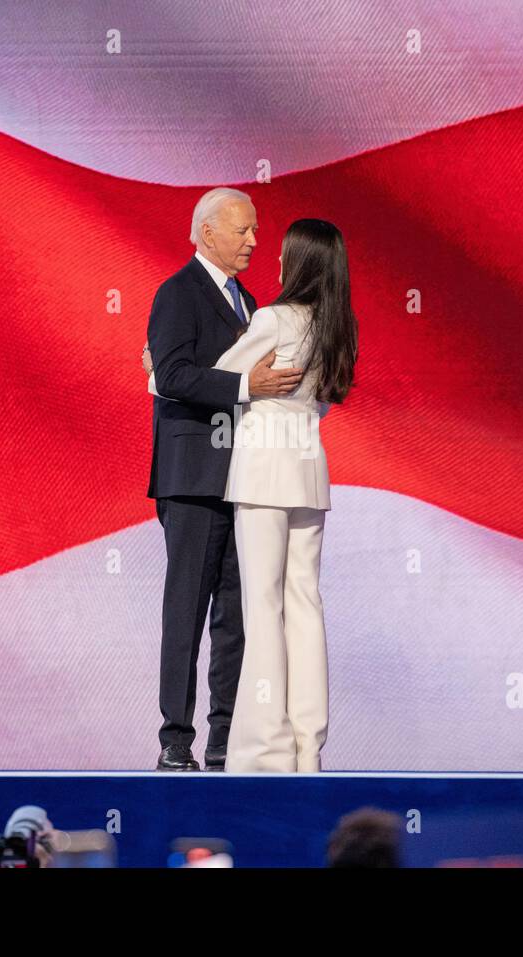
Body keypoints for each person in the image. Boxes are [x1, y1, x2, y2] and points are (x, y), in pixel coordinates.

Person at [154, 218, 358, 772]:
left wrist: (156, 369)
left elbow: (215, 375)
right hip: (310, 473)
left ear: (299, 263)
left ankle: (263, 744)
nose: (260, 249)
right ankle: (307, 744)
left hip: (264, 474)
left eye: (280, 250)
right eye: (245, 232)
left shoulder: (270, 317)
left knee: (262, 607)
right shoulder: (339, 325)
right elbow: (326, 397)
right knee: (306, 605)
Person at [145, 188, 302, 772]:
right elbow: (173, 374)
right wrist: (244, 387)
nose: (255, 241)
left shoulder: (250, 302)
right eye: (244, 231)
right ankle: (175, 739)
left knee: (235, 613)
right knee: (186, 608)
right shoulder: (177, 293)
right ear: (208, 232)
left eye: (256, 231)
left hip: (246, 477)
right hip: (192, 477)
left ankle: (223, 736)